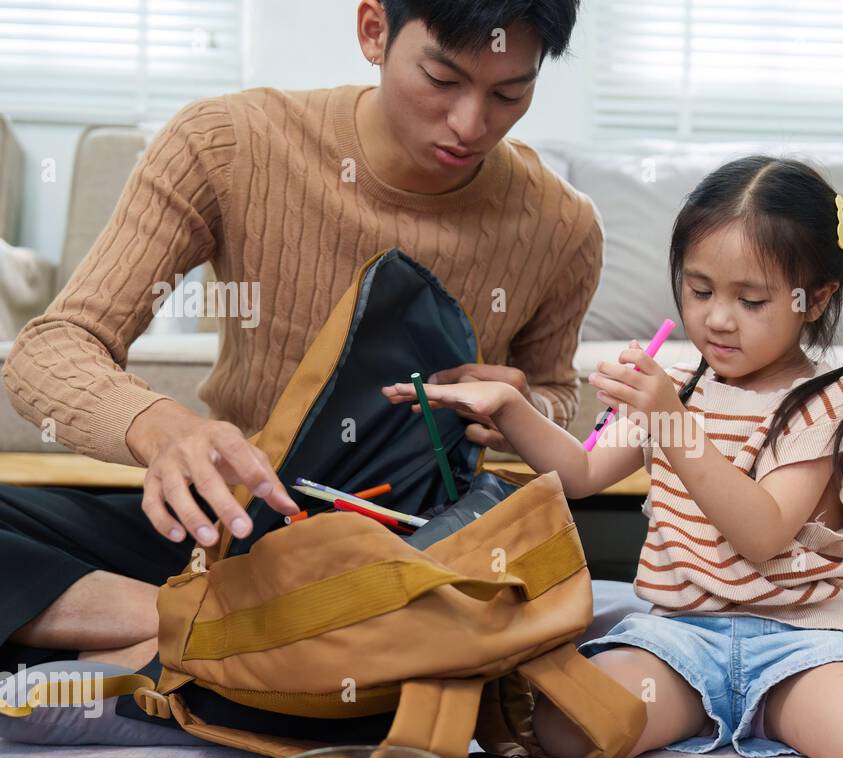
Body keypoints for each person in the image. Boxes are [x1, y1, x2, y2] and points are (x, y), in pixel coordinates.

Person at [384, 156, 843, 758]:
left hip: (800, 645)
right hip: (681, 638)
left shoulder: (826, 399)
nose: (717, 318)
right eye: (700, 288)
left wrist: (671, 422)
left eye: (752, 299)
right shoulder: (680, 382)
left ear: (815, 298)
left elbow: (763, 534)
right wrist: (515, 408)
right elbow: (584, 470)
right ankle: (726, 715)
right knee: (560, 728)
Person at [0, 0, 627, 673]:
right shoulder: (227, 143)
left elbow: (561, 393)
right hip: (234, 528)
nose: (471, 124)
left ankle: (214, 641)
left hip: (413, 551)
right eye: (442, 80)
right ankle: (215, 630)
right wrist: (163, 429)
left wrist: (531, 414)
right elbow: (53, 346)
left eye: (510, 92)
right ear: (373, 30)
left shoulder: (561, 224)